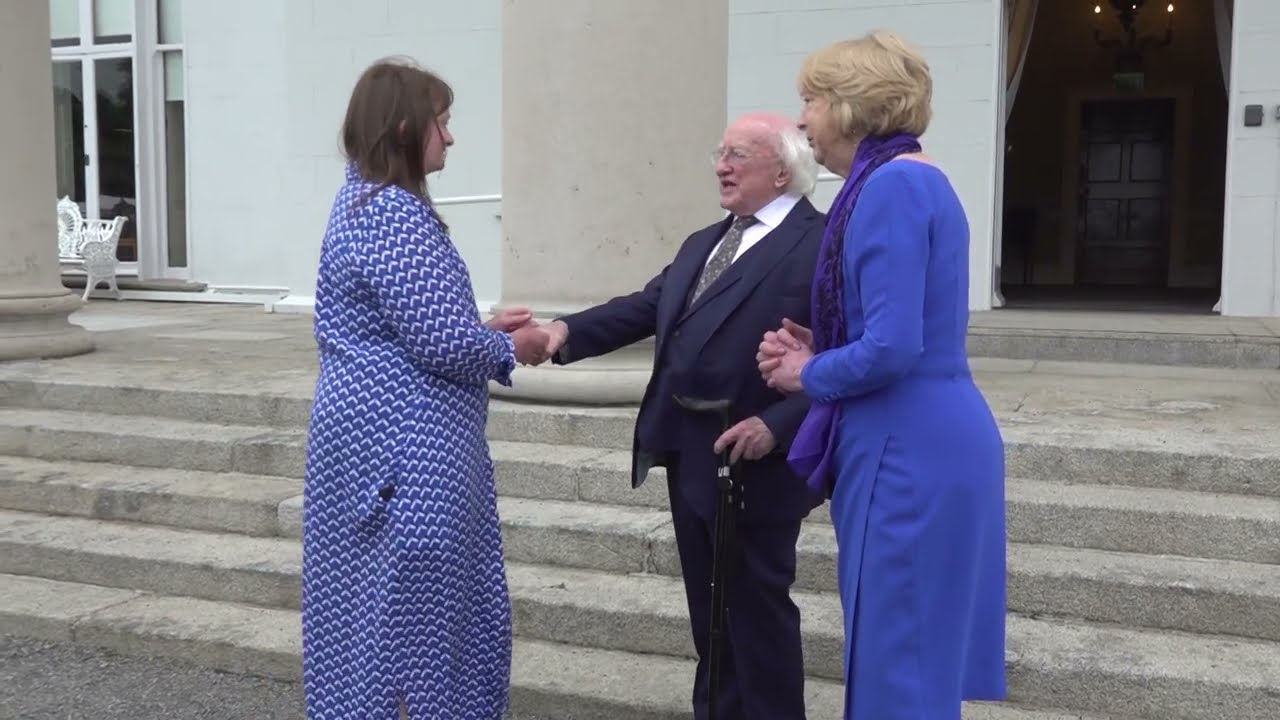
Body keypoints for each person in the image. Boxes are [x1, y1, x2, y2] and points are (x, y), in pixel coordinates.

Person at [537, 112, 824, 720]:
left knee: (757, 611)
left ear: (781, 169)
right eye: (720, 152)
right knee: (711, 614)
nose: (722, 165)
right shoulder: (705, 241)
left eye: (738, 155)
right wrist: (564, 331)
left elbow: (845, 356)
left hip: (759, 458)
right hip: (690, 454)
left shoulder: (822, 244)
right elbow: (647, 306)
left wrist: (781, 422)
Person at [757, 31, 1008, 720]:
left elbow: (894, 348)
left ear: (848, 107)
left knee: (899, 668)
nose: (801, 119)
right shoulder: (914, 177)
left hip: (907, 445)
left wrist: (811, 369)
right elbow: (899, 327)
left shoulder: (892, 185)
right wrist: (829, 342)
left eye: (809, 100)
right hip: (925, 433)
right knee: (911, 658)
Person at [300, 56, 549, 720]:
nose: (451, 137)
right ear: (407, 127)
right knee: (420, 617)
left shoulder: (357, 202)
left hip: (370, 437)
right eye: (443, 122)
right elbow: (442, 346)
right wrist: (509, 345)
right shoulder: (395, 216)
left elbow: (407, 325)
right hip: (409, 450)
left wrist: (479, 328)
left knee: (365, 609)